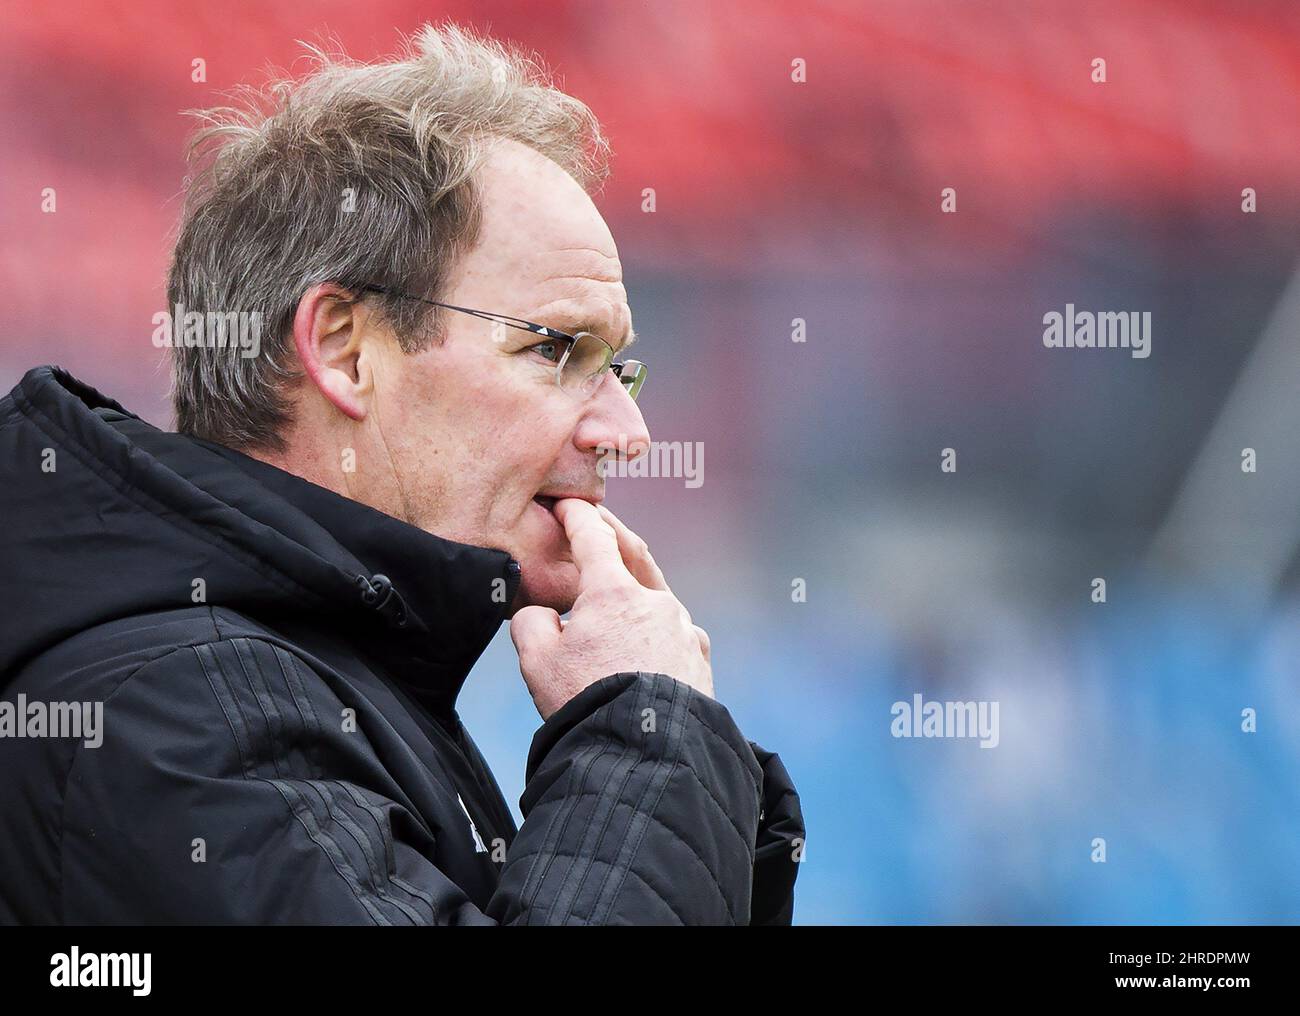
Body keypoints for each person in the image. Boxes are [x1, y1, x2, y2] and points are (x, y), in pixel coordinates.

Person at [0, 22, 803, 924]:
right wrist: (650, 743)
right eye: (556, 350)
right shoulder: (181, 713)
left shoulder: (309, 676)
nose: (629, 432)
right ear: (344, 350)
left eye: (619, 367)